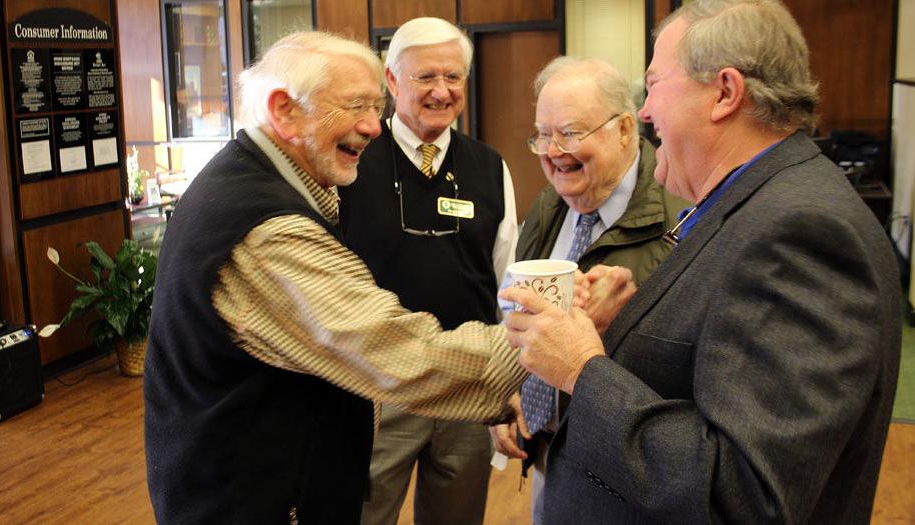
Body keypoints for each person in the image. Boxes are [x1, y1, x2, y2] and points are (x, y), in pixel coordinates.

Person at [499, 0, 902, 523]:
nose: (644, 113)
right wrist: (626, 325)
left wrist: (582, 369)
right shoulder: (754, 203)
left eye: (656, 84)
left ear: (725, 93)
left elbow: (743, 492)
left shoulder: (800, 232)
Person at [143, 31, 530, 524]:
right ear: (284, 111)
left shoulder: (252, 181)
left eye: (376, 106)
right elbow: (396, 352)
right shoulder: (269, 232)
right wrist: (542, 343)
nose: (373, 126)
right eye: (356, 106)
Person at [487, 56, 687, 524]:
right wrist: (506, 393)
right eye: (542, 134)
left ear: (623, 130)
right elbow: (516, 310)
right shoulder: (548, 203)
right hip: (549, 455)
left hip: (633, 478)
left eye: (571, 132)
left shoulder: (683, 215)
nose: (552, 150)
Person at [336, 17, 518, 525]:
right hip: (377, 390)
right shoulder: (350, 163)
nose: (442, 91)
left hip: (465, 389)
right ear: (392, 83)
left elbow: (504, 277)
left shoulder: (489, 166)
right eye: (425, 77)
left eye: (454, 77)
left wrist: (503, 384)